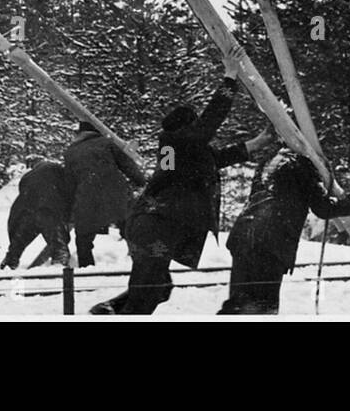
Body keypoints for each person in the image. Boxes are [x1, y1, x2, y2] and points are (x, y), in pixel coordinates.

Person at [90, 45, 266, 315]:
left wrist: (257, 143)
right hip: (157, 227)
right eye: (194, 126)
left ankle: (108, 311)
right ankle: (114, 312)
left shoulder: (177, 150)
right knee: (148, 293)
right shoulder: (179, 141)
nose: (199, 131)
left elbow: (217, 158)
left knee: (156, 287)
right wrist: (230, 77)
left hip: (149, 225)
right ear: (187, 126)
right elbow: (210, 121)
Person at [219, 145, 350, 314]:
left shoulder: (269, 160)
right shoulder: (303, 164)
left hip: (244, 237)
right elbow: (323, 208)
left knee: (238, 303)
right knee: (263, 307)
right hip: (271, 243)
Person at [64, 121, 146, 267]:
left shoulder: (70, 151)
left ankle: (87, 269)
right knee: (128, 229)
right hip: (117, 193)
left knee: (83, 237)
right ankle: (142, 264)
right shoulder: (106, 143)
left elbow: (70, 182)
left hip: (88, 196)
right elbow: (127, 165)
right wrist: (140, 181)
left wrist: (71, 206)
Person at [0, 159, 75, 270]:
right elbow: (68, 194)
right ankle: (61, 275)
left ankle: (8, 265)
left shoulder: (28, 176)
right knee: (58, 245)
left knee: (18, 244)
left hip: (25, 212)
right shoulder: (59, 173)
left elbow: (23, 192)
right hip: (48, 210)